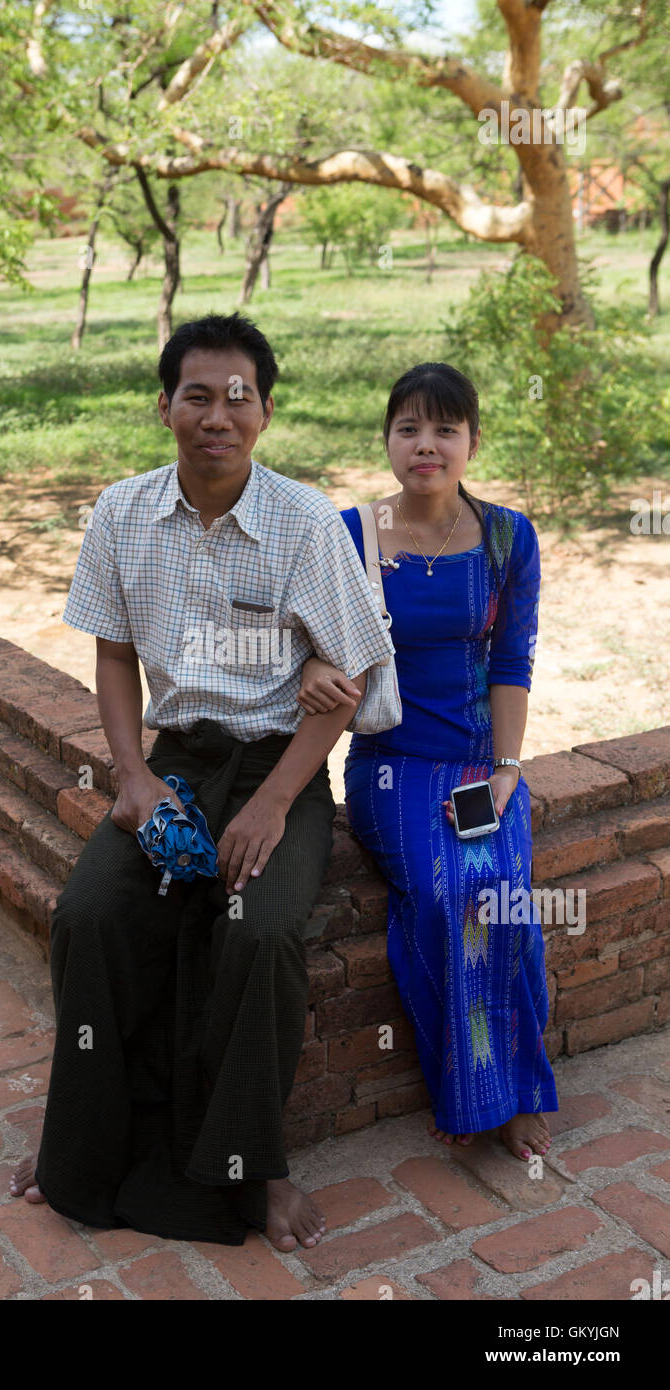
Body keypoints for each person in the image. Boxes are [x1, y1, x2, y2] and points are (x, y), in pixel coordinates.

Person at [9, 313, 396, 1249]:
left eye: (238, 398)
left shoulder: (304, 522)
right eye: (196, 396)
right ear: (165, 406)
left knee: (258, 937)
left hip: (279, 769)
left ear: (265, 411)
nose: (216, 415)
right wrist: (133, 780)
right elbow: (114, 658)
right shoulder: (122, 511)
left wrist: (272, 803)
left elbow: (350, 683)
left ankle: (250, 1169)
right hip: (175, 762)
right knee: (91, 916)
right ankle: (82, 1145)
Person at [297, 362, 559, 1159]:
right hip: (391, 765)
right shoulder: (351, 534)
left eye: (445, 428)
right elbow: (306, 639)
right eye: (408, 427)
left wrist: (507, 769)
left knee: (504, 894)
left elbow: (512, 662)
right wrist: (311, 666)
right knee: (450, 896)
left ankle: (517, 1092)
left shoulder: (510, 537)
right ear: (387, 440)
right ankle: (472, 1092)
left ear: (472, 440)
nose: (426, 445)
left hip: (482, 761)